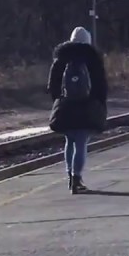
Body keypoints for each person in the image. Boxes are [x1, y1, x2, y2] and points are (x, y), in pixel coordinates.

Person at [47, 26, 109, 193]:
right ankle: (77, 178)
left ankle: (69, 175)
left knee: (69, 141)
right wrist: (99, 103)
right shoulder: (92, 58)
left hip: (66, 105)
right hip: (86, 106)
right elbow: (100, 84)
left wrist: (58, 101)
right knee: (81, 143)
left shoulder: (61, 57)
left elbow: (52, 83)